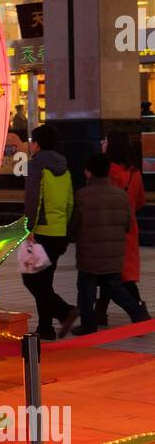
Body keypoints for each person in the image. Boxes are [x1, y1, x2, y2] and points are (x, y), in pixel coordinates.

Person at [69, 152, 148, 335]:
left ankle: (89, 324)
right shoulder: (121, 195)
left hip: (89, 253)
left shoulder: (82, 195)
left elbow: (74, 224)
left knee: (86, 290)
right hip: (114, 253)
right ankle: (138, 314)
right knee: (115, 287)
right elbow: (127, 223)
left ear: (89, 172)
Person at [22, 123, 77, 339]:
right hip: (59, 233)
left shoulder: (36, 165)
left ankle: (65, 311)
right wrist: (66, 230)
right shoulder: (64, 167)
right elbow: (70, 202)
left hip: (40, 233)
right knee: (44, 282)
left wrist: (29, 228)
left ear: (36, 144)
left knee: (31, 279)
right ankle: (45, 328)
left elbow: (33, 199)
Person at [96, 130, 147, 324]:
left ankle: (139, 311)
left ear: (112, 145)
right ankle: (100, 313)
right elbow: (140, 201)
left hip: (110, 228)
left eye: (105, 140)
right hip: (130, 227)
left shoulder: (109, 171)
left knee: (115, 274)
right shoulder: (135, 172)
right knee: (117, 272)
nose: (102, 143)